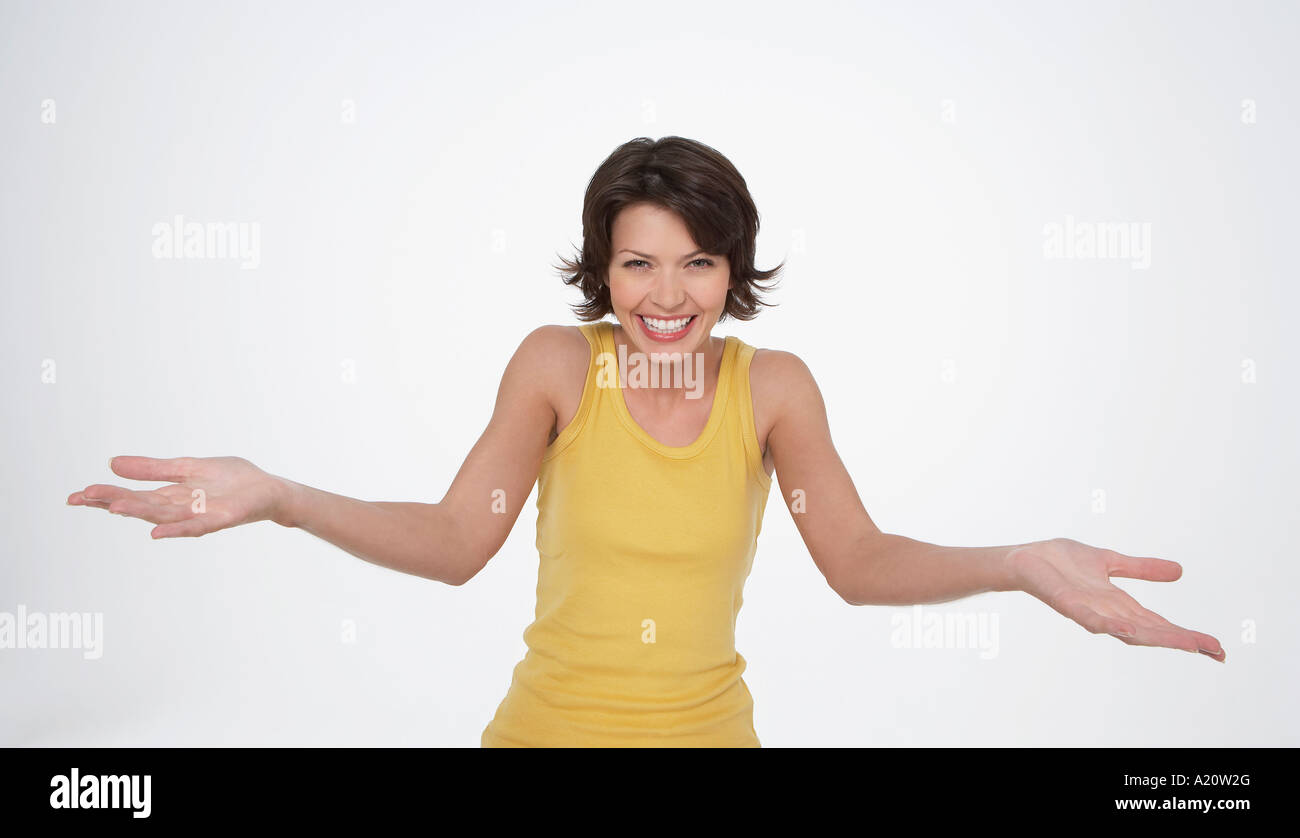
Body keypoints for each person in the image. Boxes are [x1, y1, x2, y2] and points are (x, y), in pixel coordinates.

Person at [67, 136, 1226, 748]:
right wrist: (280, 494)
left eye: (697, 261)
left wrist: (1016, 562)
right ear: (600, 266)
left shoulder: (771, 390)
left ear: (732, 267)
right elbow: (456, 539)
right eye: (637, 261)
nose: (667, 294)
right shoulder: (559, 366)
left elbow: (858, 562)